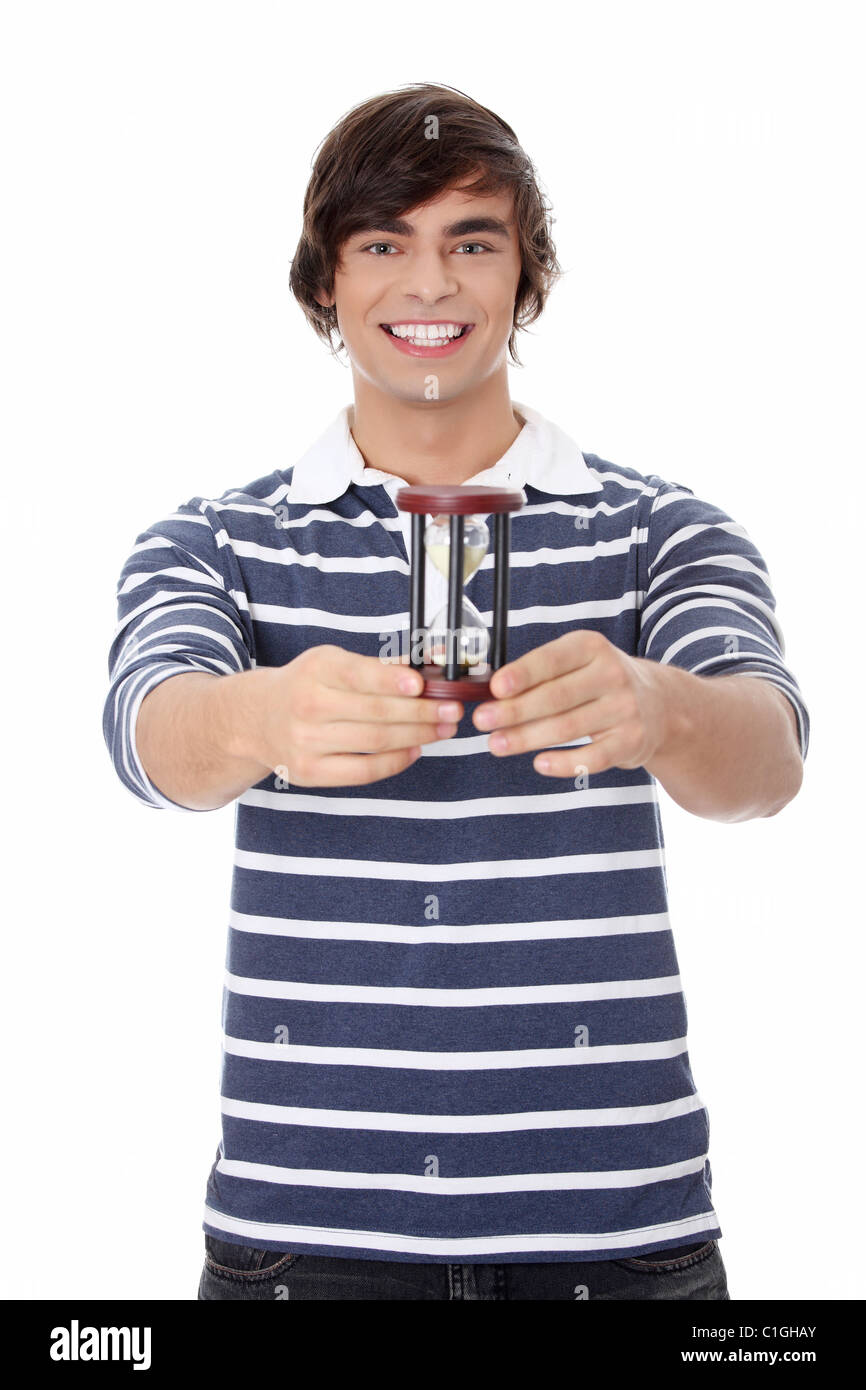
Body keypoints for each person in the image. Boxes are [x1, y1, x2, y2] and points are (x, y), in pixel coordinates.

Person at [103, 83, 808, 1301]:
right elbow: (147, 734)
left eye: (469, 242)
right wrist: (266, 714)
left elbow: (770, 757)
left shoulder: (659, 531)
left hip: (618, 1239)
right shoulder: (213, 538)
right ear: (324, 280)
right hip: (302, 1242)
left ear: (524, 278)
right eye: (382, 244)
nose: (426, 286)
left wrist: (658, 705)